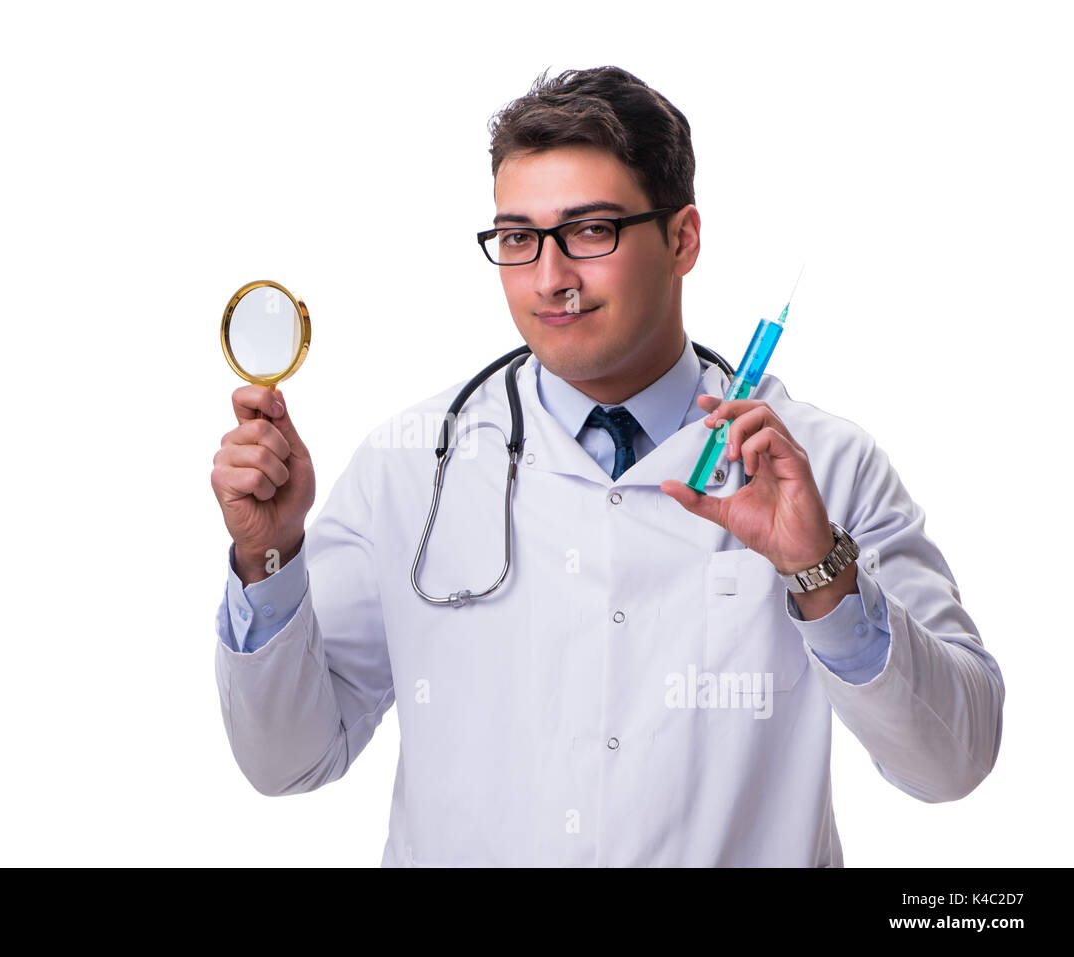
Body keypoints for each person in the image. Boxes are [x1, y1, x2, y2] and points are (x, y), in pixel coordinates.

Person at [209, 66, 1004, 866]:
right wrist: (266, 559)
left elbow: (953, 762)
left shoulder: (826, 464)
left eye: (591, 231)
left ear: (682, 239)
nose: (551, 279)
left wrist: (820, 572)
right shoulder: (414, 465)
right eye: (518, 238)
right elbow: (288, 759)